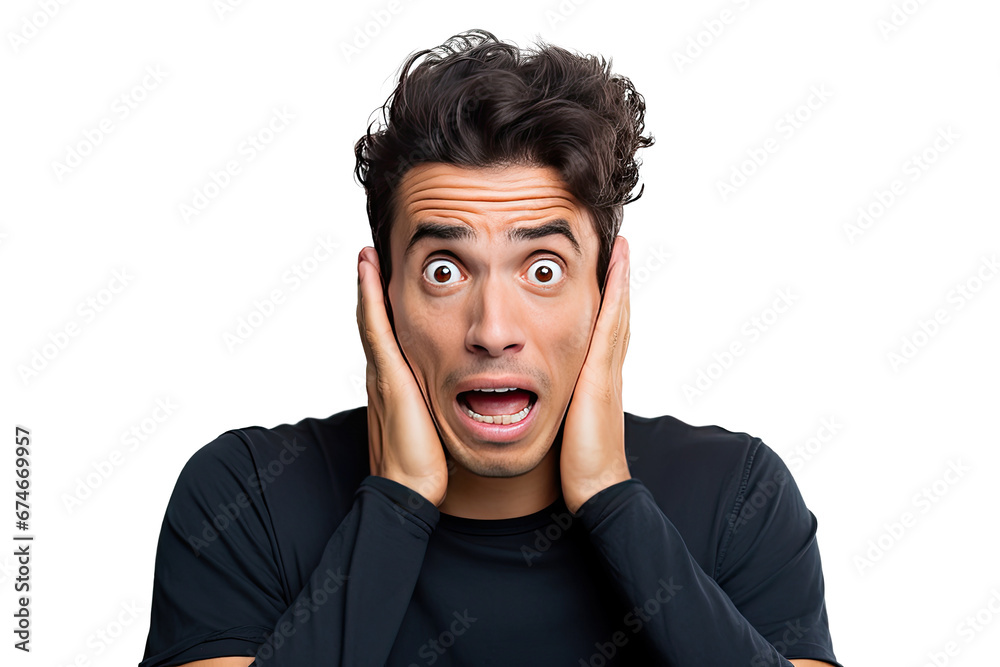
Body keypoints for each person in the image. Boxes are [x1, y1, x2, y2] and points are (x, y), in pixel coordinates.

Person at [139, 29, 842, 666]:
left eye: (543, 269)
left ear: (608, 294)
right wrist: (397, 502)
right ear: (382, 298)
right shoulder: (247, 498)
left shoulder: (736, 495)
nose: (492, 328)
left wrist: (610, 496)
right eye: (445, 269)